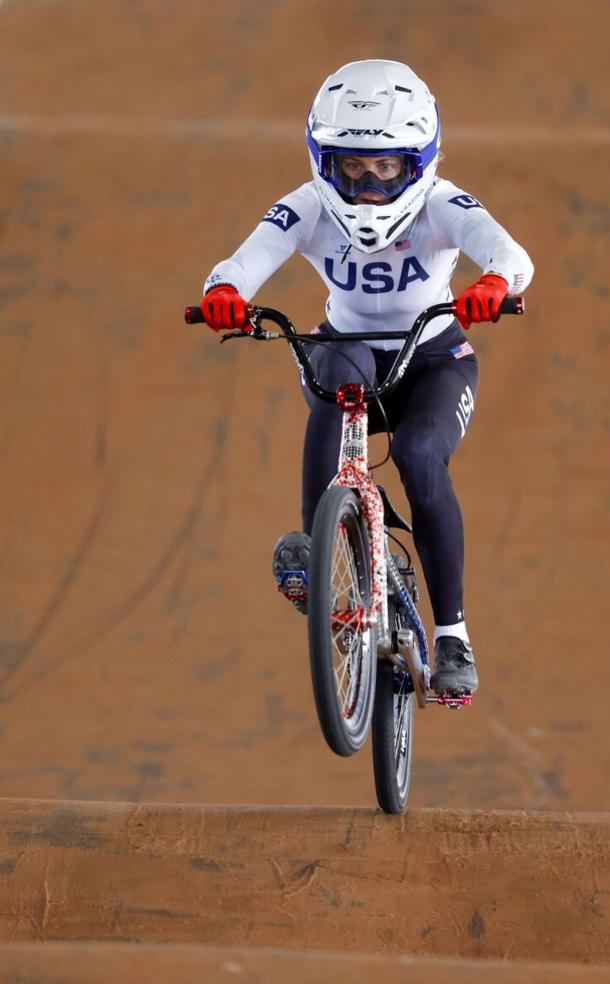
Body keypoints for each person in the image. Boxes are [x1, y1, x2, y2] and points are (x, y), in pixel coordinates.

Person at [199, 59, 533, 697]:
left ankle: (453, 635)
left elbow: (511, 255)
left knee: (420, 454)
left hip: (434, 361)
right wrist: (224, 292)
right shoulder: (307, 207)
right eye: (352, 167)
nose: (370, 186)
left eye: (387, 168)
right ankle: (314, 548)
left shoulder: (442, 203)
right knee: (338, 374)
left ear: (419, 163)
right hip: (346, 351)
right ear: (324, 163)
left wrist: (495, 281)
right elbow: (243, 263)